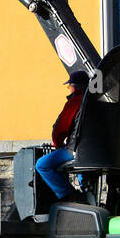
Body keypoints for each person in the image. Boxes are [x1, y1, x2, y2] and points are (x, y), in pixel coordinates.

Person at [35, 70, 88, 201]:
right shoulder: (97, 102)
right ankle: (86, 190)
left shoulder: (75, 102)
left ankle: (69, 195)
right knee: (84, 164)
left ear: (75, 86)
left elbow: (59, 129)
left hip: (75, 149)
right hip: (93, 151)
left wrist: (58, 145)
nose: (69, 89)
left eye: (69, 86)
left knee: (41, 165)